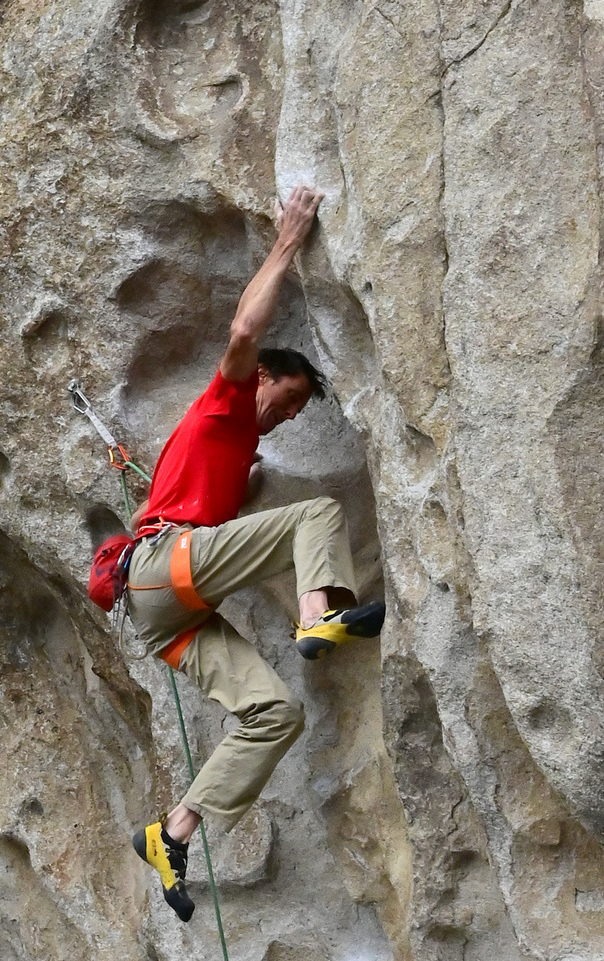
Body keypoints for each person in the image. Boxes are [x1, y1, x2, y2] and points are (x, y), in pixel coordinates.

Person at [128, 185, 384, 922]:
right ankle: (315, 618)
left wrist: (237, 490)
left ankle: (173, 832)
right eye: (289, 396)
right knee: (315, 516)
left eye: (298, 408)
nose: (286, 412)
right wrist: (286, 242)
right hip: (162, 567)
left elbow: (207, 508)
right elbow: (243, 330)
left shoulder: (233, 447)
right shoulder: (227, 401)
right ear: (265, 379)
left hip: (167, 616)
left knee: (274, 714)